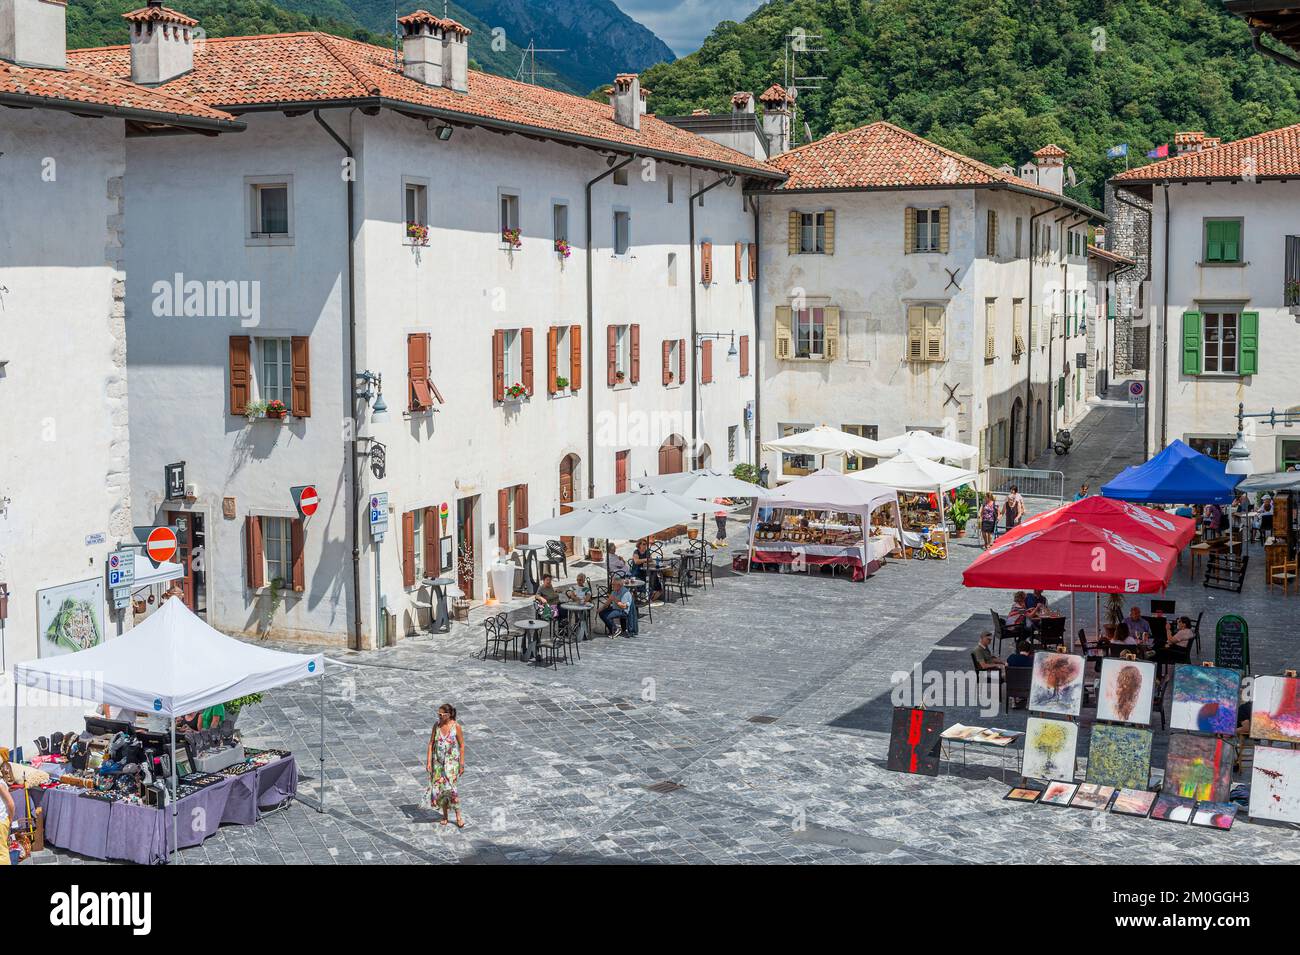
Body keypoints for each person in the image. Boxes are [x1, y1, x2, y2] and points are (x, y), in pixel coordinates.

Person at [425, 704, 465, 828]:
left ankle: (458, 816)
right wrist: (428, 762)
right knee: (441, 790)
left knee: (452, 790)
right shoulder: (436, 726)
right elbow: (431, 743)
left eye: (441, 715)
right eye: (438, 714)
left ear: (448, 715)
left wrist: (461, 764)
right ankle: (445, 816)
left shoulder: (456, 727)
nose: (439, 716)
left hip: (451, 764)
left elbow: (462, 745)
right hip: (438, 763)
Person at [0, 778, 13, 866]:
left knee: (1, 851)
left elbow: (11, 804)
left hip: (1, 820)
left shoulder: (0, 785)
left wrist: (10, 819)